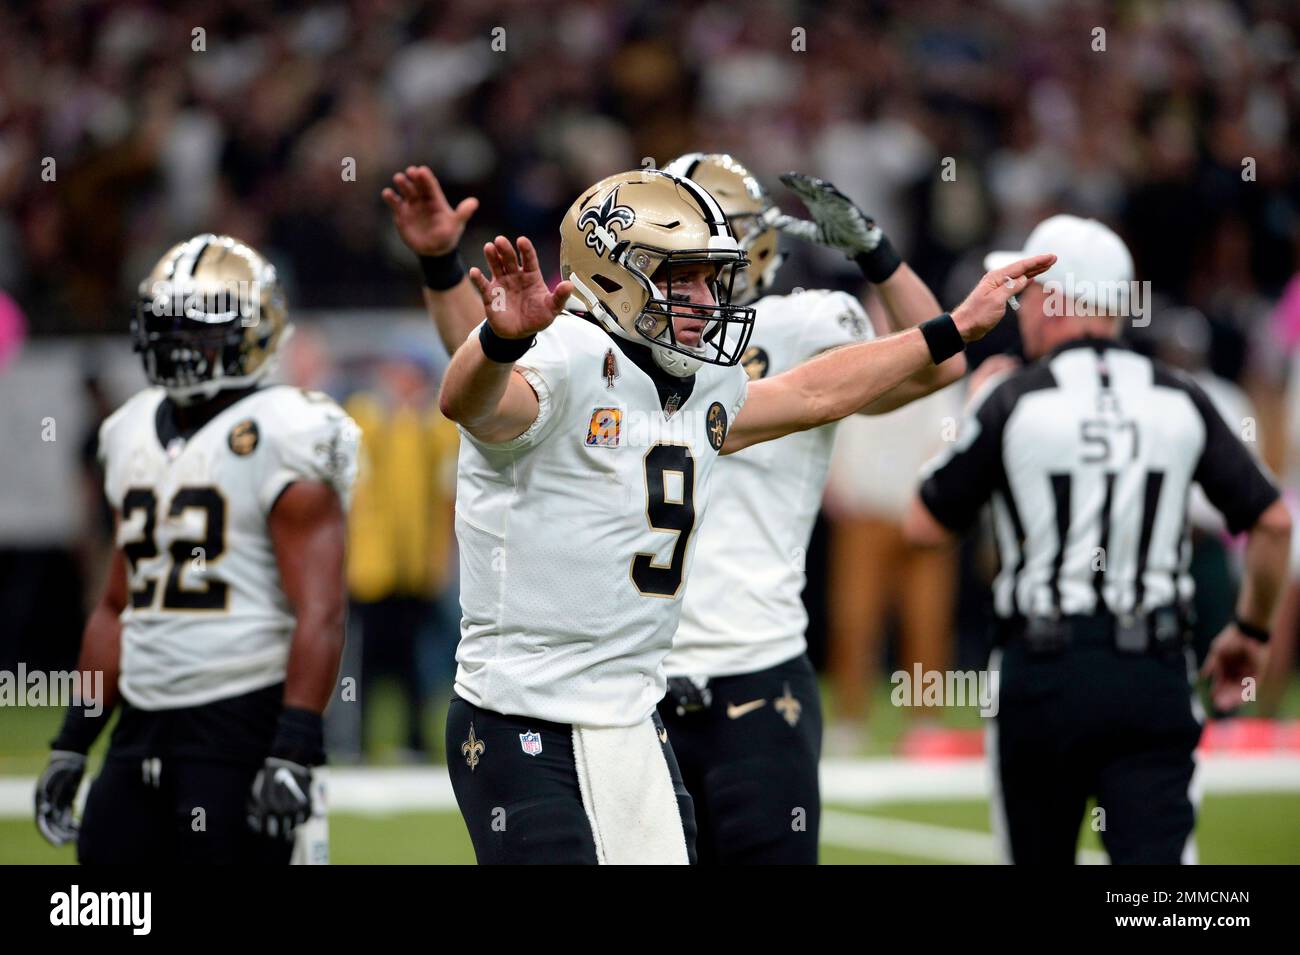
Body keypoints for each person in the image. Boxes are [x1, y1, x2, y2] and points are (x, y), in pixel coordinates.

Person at [430, 166, 1050, 864]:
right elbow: (472, 404)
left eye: (708, 279)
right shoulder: (565, 354)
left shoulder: (703, 383)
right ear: (611, 276)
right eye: (681, 279)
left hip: (631, 714)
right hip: (520, 713)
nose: (703, 299)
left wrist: (951, 328)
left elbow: (813, 392)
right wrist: (498, 342)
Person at [904, 215, 1291, 864]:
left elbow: (924, 526)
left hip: (1042, 672)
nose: (1021, 309)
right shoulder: (1180, 396)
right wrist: (1250, 633)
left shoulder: (1015, 398)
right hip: (1153, 669)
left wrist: (975, 412)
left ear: (1056, 298)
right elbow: (1274, 523)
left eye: (1027, 291)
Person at [653, 154, 964, 862]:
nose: (694, 264)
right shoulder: (620, 341)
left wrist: (875, 255)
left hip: (756, 666)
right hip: (635, 670)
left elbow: (941, 362)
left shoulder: (800, 324)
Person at [33, 235, 359, 864]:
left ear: (255, 331)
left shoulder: (289, 429)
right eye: (167, 325)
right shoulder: (127, 429)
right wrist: (74, 740)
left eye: (198, 328)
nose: (177, 342)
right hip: (142, 722)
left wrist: (293, 747)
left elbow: (320, 610)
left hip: (240, 718)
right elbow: (115, 606)